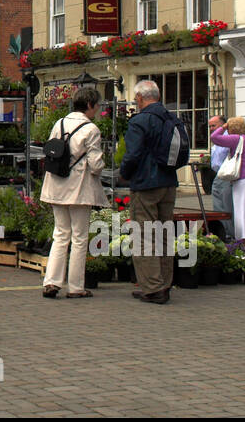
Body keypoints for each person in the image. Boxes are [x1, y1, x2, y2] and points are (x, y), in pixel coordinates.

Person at [118, 79, 180, 304]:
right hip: (168, 182)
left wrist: (124, 172)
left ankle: (152, 288)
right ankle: (165, 283)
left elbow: (132, 154)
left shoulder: (140, 121)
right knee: (164, 233)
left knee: (144, 235)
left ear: (140, 98)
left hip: (145, 183)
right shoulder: (172, 118)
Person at [40, 87, 105, 299]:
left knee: (60, 234)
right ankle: (76, 287)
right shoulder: (91, 129)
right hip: (79, 188)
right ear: (89, 105)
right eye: (96, 105)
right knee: (79, 237)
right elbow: (95, 165)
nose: (97, 109)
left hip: (56, 184)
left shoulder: (58, 124)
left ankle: (51, 281)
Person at [211, 118, 245, 244]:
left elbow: (214, 137)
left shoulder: (236, 139)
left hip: (243, 179)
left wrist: (223, 127)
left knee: (242, 209)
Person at [205, 115, 234, 240]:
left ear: (222, 125)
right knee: (218, 205)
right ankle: (223, 232)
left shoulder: (227, 137)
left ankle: (229, 234)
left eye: (214, 125)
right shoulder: (217, 139)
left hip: (226, 174)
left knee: (226, 205)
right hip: (218, 174)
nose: (211, 128)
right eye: (210, 126)